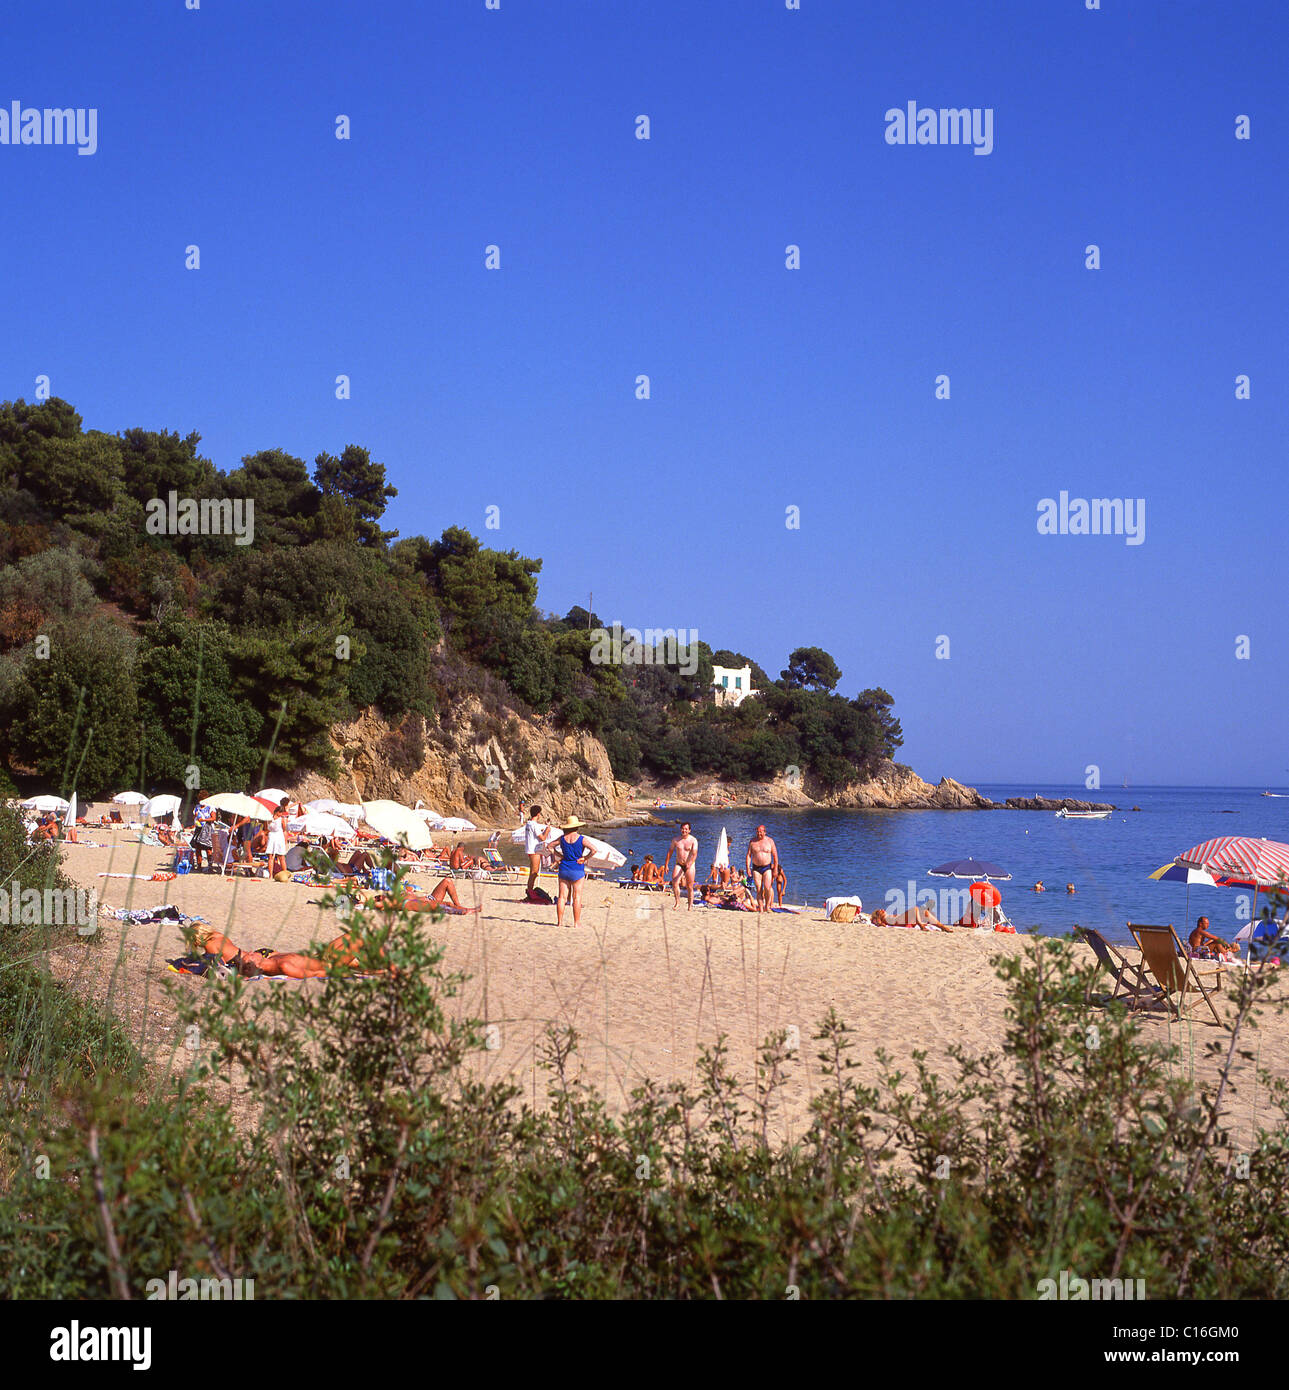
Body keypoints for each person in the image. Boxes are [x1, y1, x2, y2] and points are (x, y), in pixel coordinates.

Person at [555, 815, 593, 927]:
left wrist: (560, 855)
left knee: (562, 897)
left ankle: (559, 922)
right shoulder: (582, 839)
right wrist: (585, 858)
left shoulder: (562, 839)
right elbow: (594, 850)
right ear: (577, 826)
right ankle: (576, 923)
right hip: (577, 868)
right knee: (577, 897)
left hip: (564, 867)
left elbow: (549, 846)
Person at [663, 822, 699, 910]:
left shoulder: (693, 840)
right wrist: (666, 864)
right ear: (680, 829)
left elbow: (694, 854)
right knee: (675, 883)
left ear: (689, 830)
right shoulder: (676, 840)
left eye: (686, 829)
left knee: (689, 886)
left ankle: (690, 906)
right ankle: (677, 902)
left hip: (689, 864)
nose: (684, 830)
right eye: (683, 829)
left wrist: (689, 863)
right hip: (679, 863)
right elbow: (670, 852)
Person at [745, 825, 779, 914]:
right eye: (758, 832)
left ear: (765, 832)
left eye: (761, 832)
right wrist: (748, 868)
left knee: (767, 888)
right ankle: (760, 908)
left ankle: (767, 906)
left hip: (767, 867)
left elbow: (775, 856)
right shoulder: (752, 841)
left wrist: (775, 869)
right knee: (759, 888)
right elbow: (748, 855)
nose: (759, 833)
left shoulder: (770, 841)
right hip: (756, 868)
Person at [522, 804, 549, 893]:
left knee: (532, 872)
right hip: (535, 850)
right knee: (534, 872)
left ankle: (530, 890)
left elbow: (535, 835)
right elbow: (543, 838)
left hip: (529, 849)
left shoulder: (528, 824)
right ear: (538, 814)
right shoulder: (534, 825)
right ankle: (530, 891)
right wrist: (547, 830)